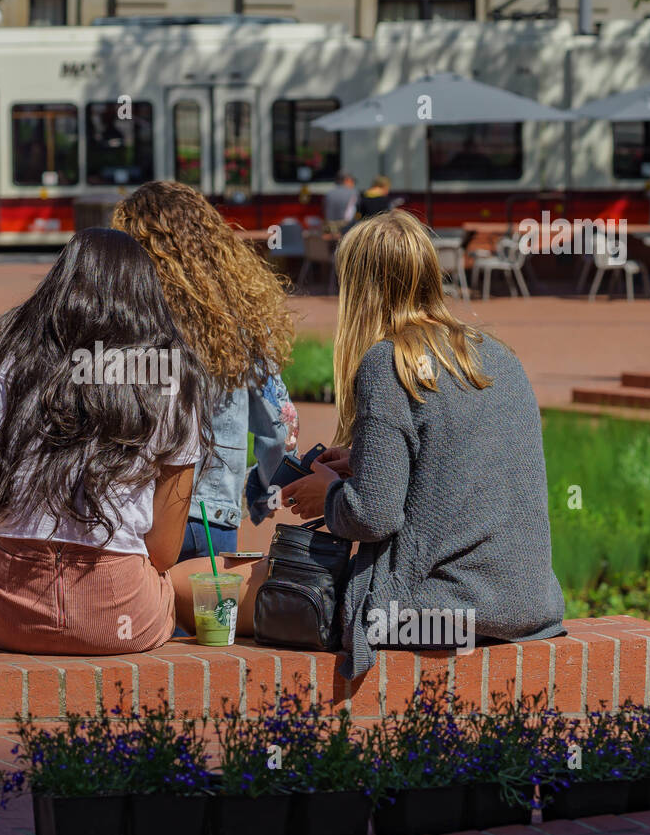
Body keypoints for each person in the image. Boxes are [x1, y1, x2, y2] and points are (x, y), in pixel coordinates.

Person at [168, 209, 566, 675]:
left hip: (434, 614)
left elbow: (373, 517)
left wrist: (328, 494)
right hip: (527, 607)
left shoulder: (387, 362)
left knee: (181, 585)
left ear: (358, 288)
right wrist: (365, 461)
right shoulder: (495, 355)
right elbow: (454, 462)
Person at [0, 227, 213, 656]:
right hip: (119, 618)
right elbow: (162, 552)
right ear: (146, 301)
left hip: (4, 613)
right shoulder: (168, 380)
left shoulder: (0, 363)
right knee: (210, 578)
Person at [112, 180, 300, 560]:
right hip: (212, 519)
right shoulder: (239, 319)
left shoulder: (127, 319)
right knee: (208, 617)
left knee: (147, 620)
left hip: (137, 515)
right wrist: (262, 490)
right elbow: (278, 427)